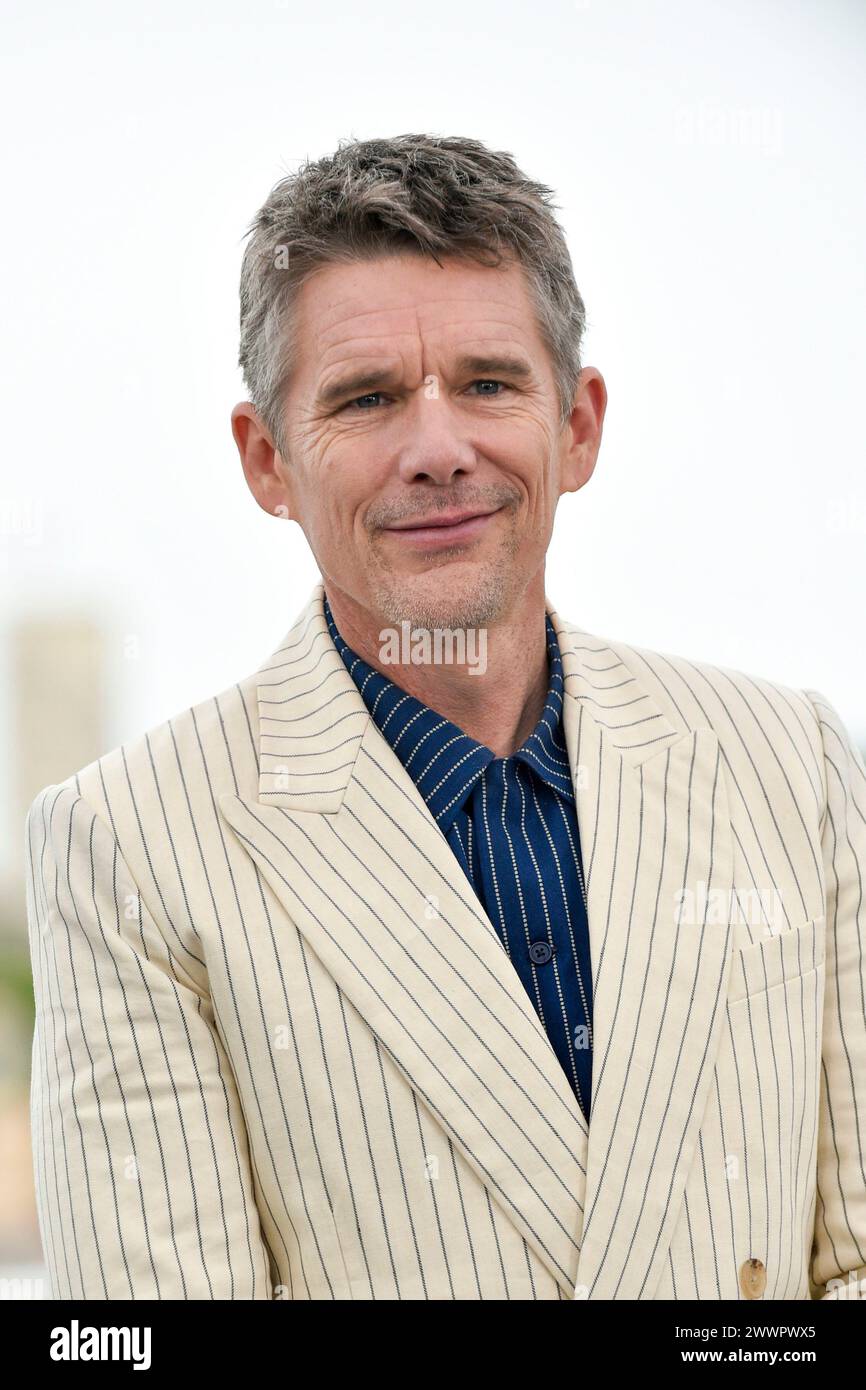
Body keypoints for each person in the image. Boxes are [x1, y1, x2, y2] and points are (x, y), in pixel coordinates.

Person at [25, 133, 866, 1300]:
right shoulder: (129, 844)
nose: (436, 450)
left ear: (576, 426)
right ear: (266, 460)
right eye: (365, 399)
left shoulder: (792, 766)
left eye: (486, 383)